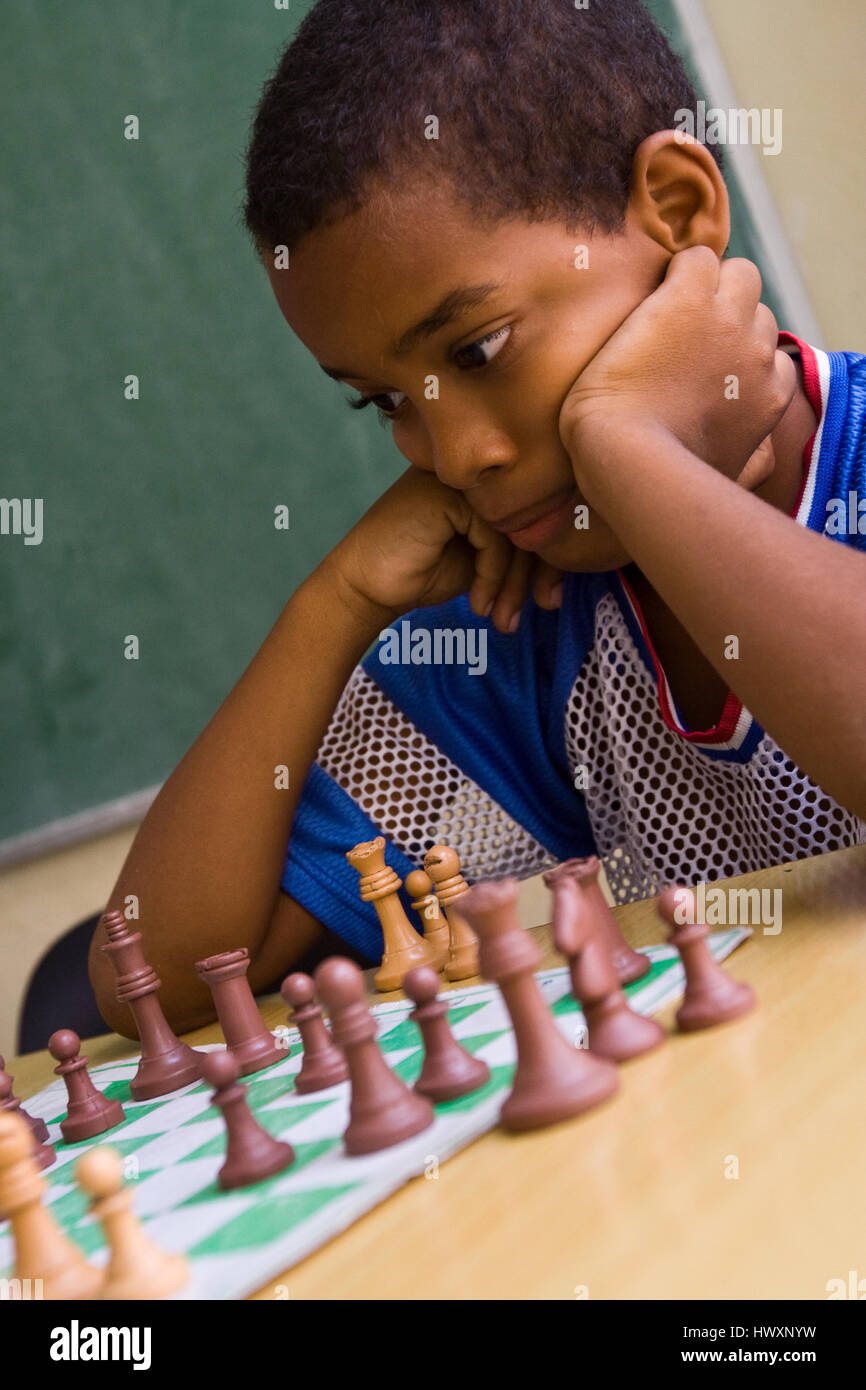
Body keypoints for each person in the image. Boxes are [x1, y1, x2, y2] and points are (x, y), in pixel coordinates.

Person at [90, 0, 866, 1037]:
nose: (457, 457)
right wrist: (335, 602)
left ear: (677, 212)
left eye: (478, 352)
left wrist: (622, 441)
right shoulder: (525, 614)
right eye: (387, 403)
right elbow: (166, 977)